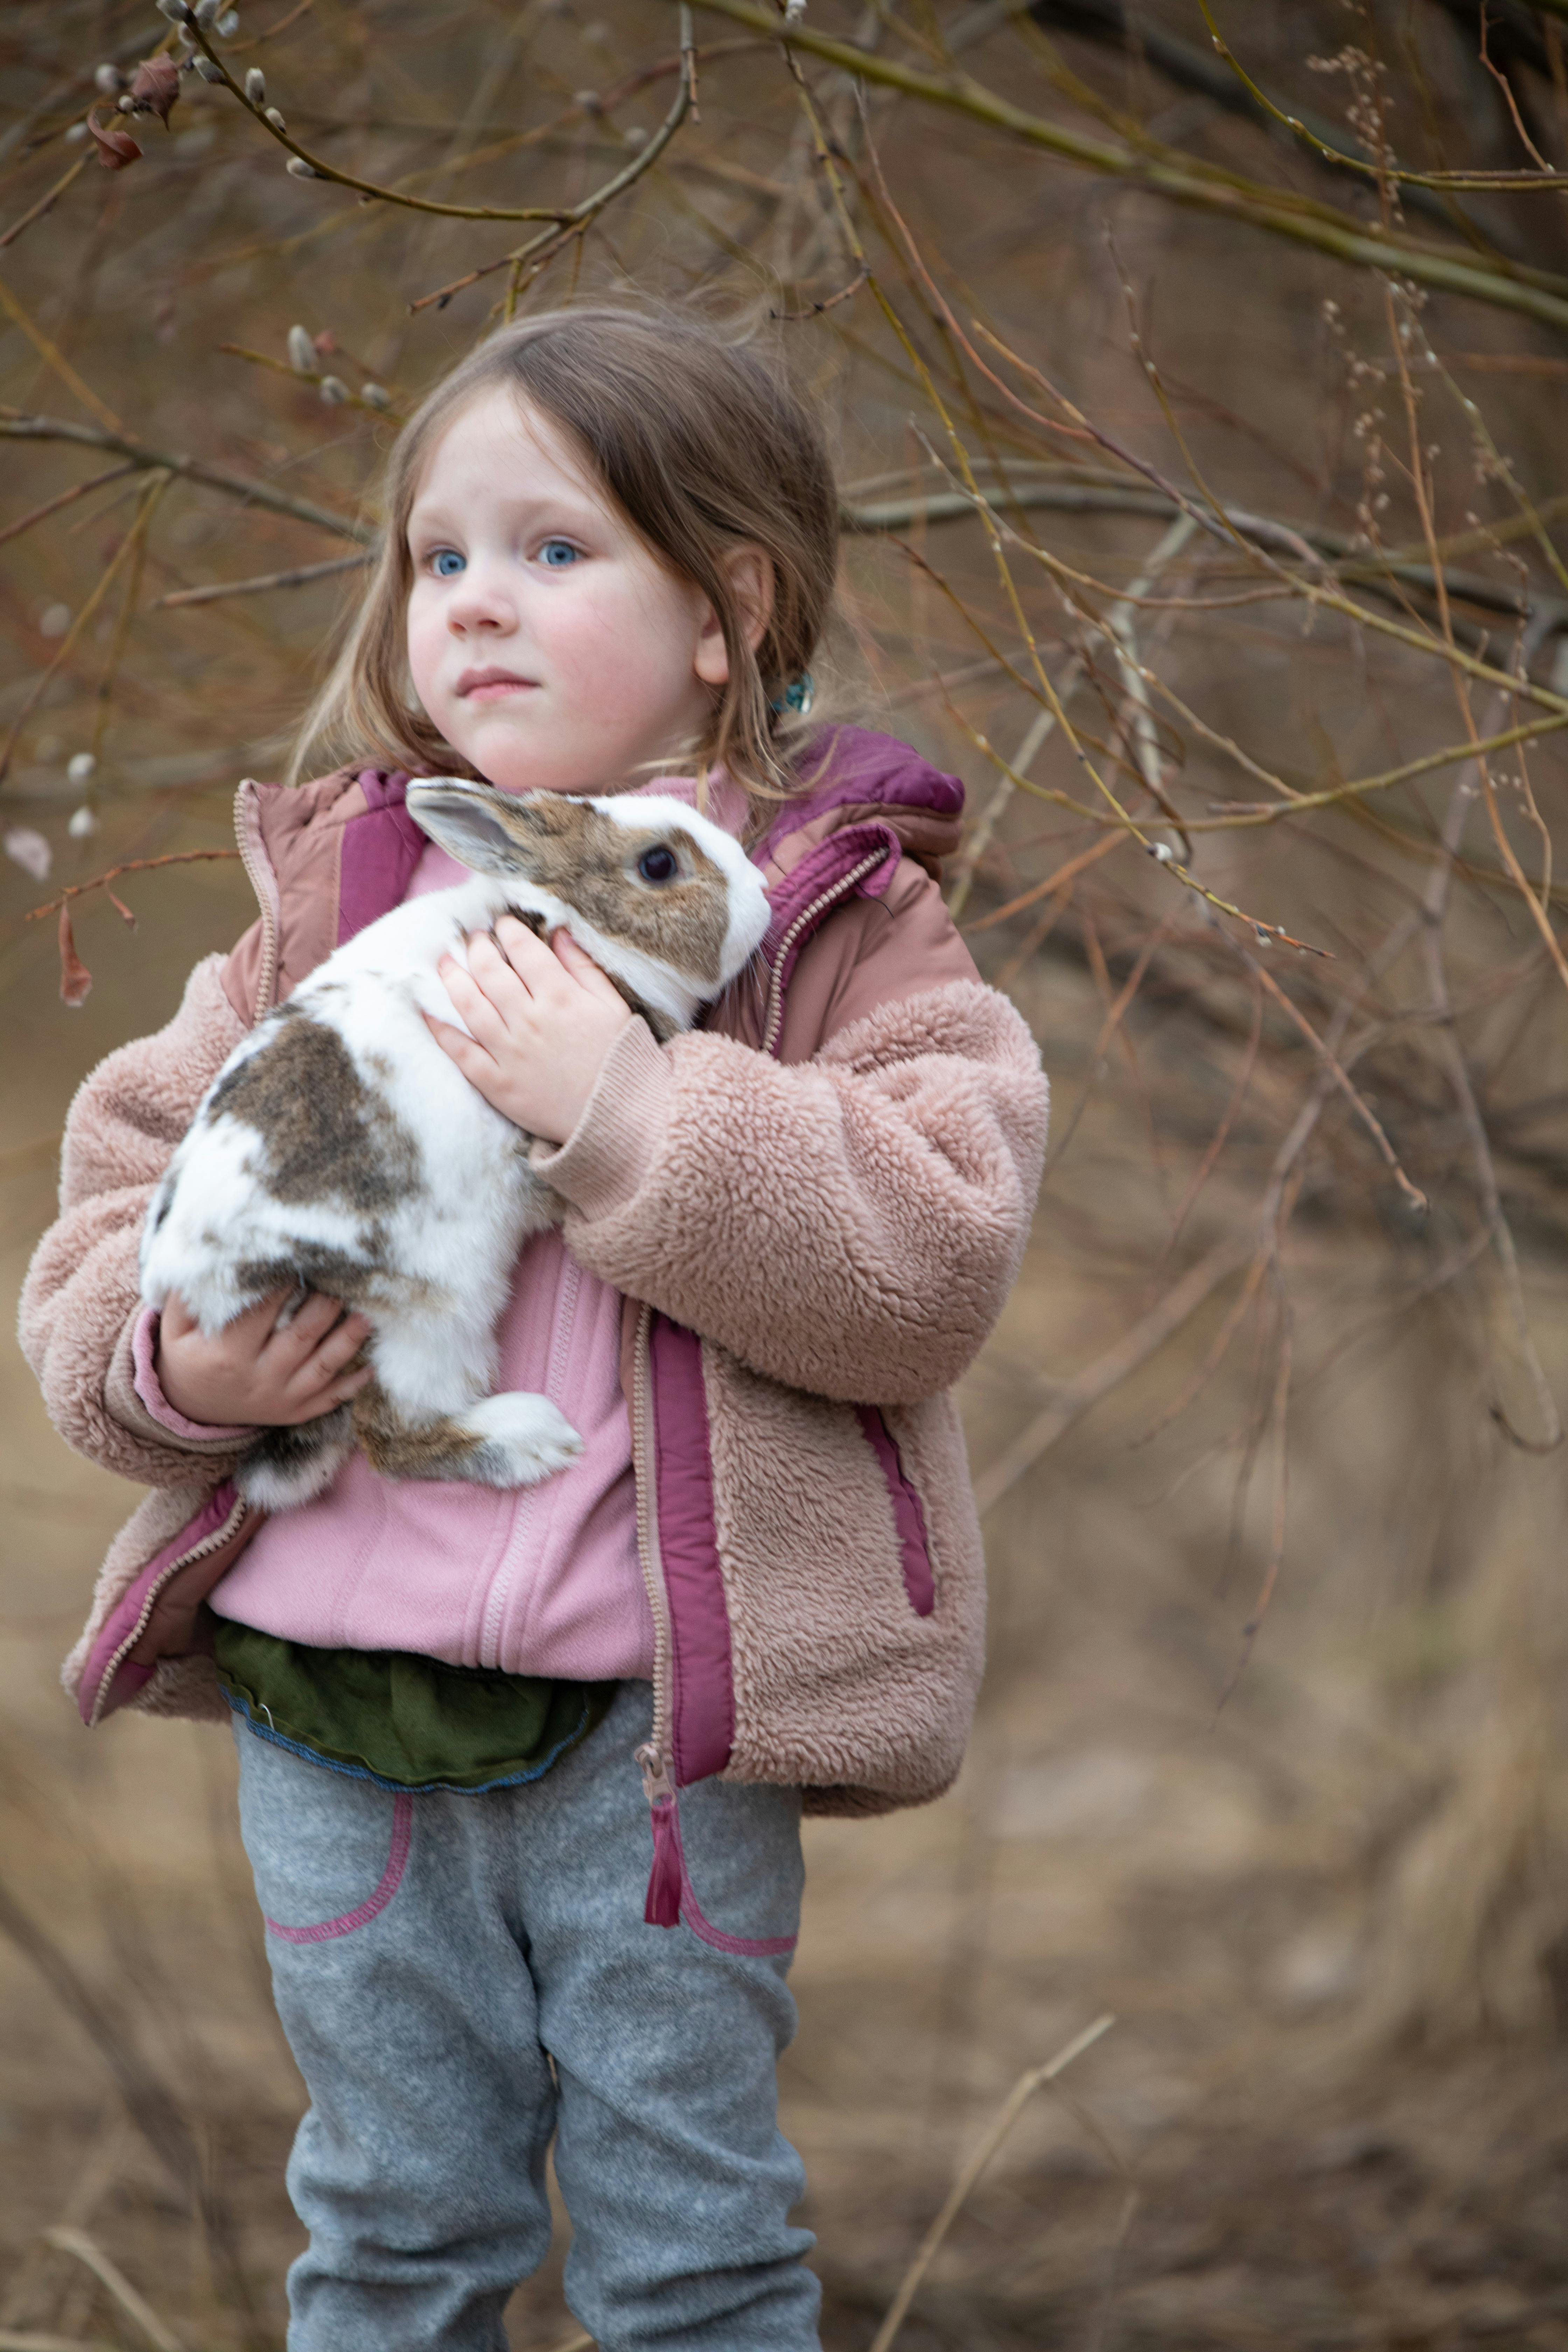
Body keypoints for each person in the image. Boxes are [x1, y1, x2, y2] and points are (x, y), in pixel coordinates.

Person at [20, 306, 1048, 2352]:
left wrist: (632, 1114)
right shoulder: (330, 905)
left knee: (691, 2233)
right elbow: (107, 1217)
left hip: (658, 1735)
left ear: (726, 609)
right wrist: (173, 1363)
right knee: (397, 2219)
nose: (479, 603)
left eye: (556, 551)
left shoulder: (836, 924)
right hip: (339, 1714)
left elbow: (931, 1259)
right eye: (441, 557)